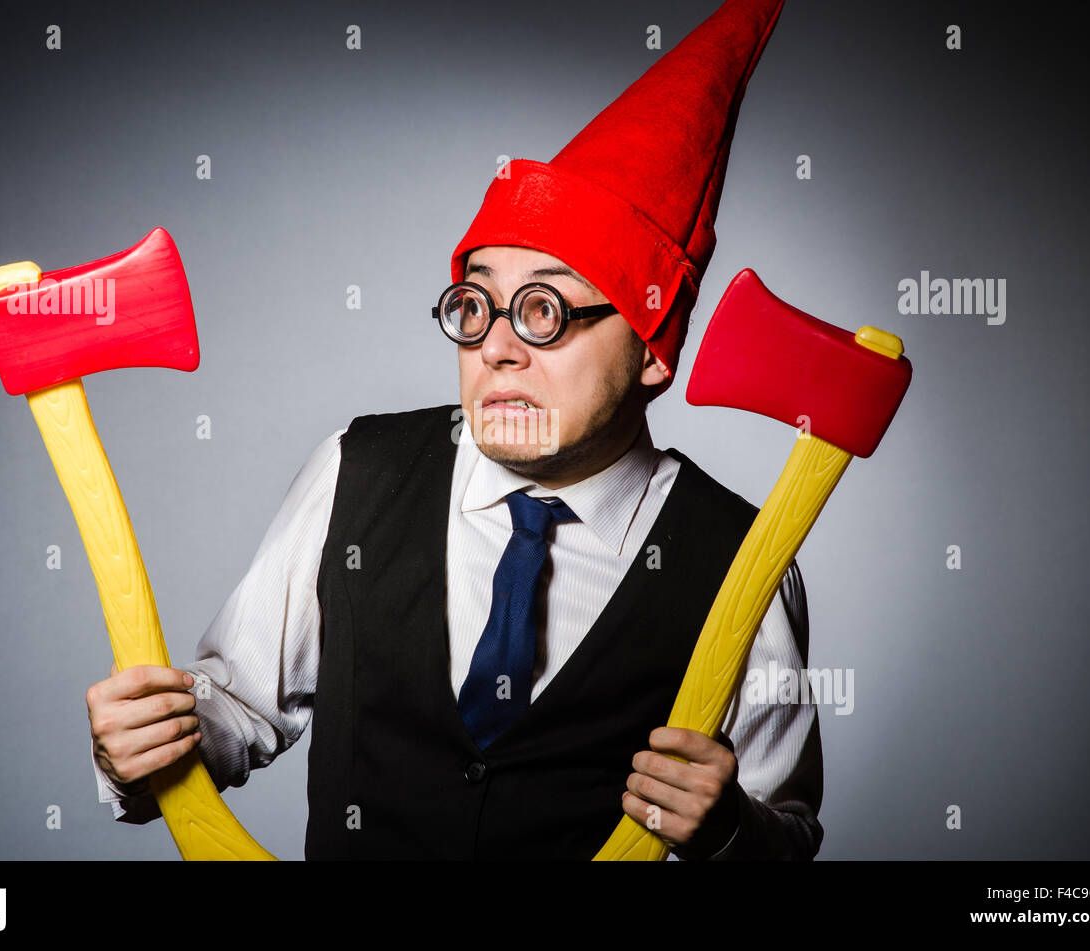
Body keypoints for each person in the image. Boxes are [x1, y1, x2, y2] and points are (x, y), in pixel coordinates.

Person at [87, 0, 821, 860]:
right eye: (475, 305)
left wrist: (732, 828)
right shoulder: (356, 470)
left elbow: (787, 837)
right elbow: (238, 704)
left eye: (544, 309)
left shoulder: (744, 557)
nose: (497, 347)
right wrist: (145, 745)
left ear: (654, 351)